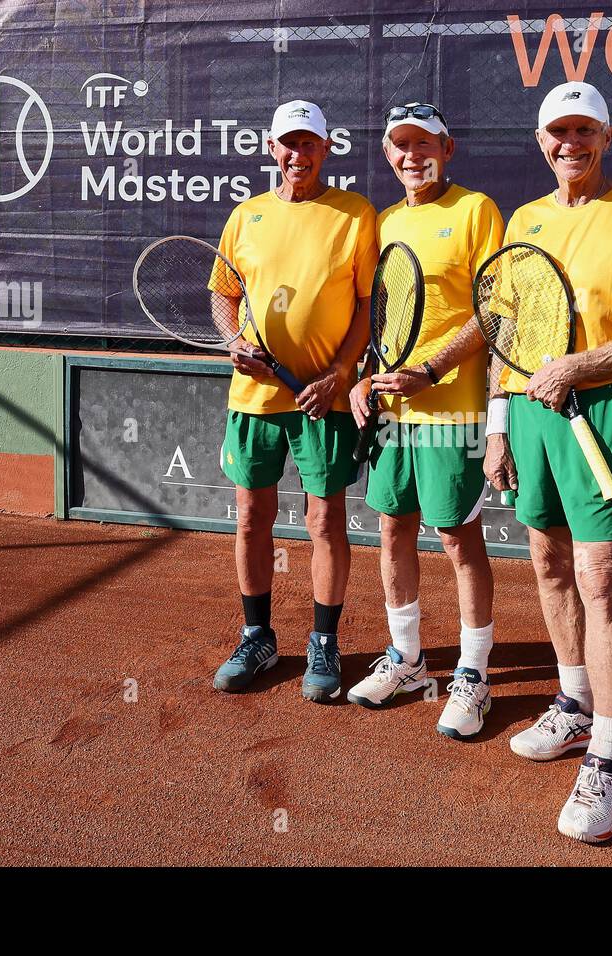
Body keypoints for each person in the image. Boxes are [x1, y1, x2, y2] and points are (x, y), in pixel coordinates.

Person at [484, 82, 612, 842]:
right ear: (542, 141)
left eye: (584, 131)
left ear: (607, 135)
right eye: (557, 132)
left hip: (598, 409)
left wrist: (580, 366)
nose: (570, 143)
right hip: (530, 413)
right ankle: (572, 704)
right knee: (546, 561)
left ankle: (607, 753)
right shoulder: (524, 219)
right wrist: (499, 427)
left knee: (601, 577)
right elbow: (507, 330)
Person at [345, 103, 504, 740]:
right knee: (392, 530)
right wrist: (365, 376)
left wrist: (431, 370)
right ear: (389, 155)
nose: (413, 156)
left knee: (458, 538)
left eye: (425, 144)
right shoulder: (382, 224)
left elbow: (495, 311)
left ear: (448, 146)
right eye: (401, 146)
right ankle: (407, 659)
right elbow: (381, 319)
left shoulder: (477, 211)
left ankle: (472, 674)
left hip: (453, 408)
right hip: (393, 412)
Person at [211, 100, 378, 703]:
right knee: (252, 515)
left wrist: (340, 372)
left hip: (322, 399)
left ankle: (324, 642)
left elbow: (365, 306)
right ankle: (256, 635)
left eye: (309, 144)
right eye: (288, 143)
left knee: (324, 519)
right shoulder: (246, 216)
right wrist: (234, 340)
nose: (297, 155)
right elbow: (224, 294)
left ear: (326, 149)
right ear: (271, 148)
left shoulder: (356, 215)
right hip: (252, 397)